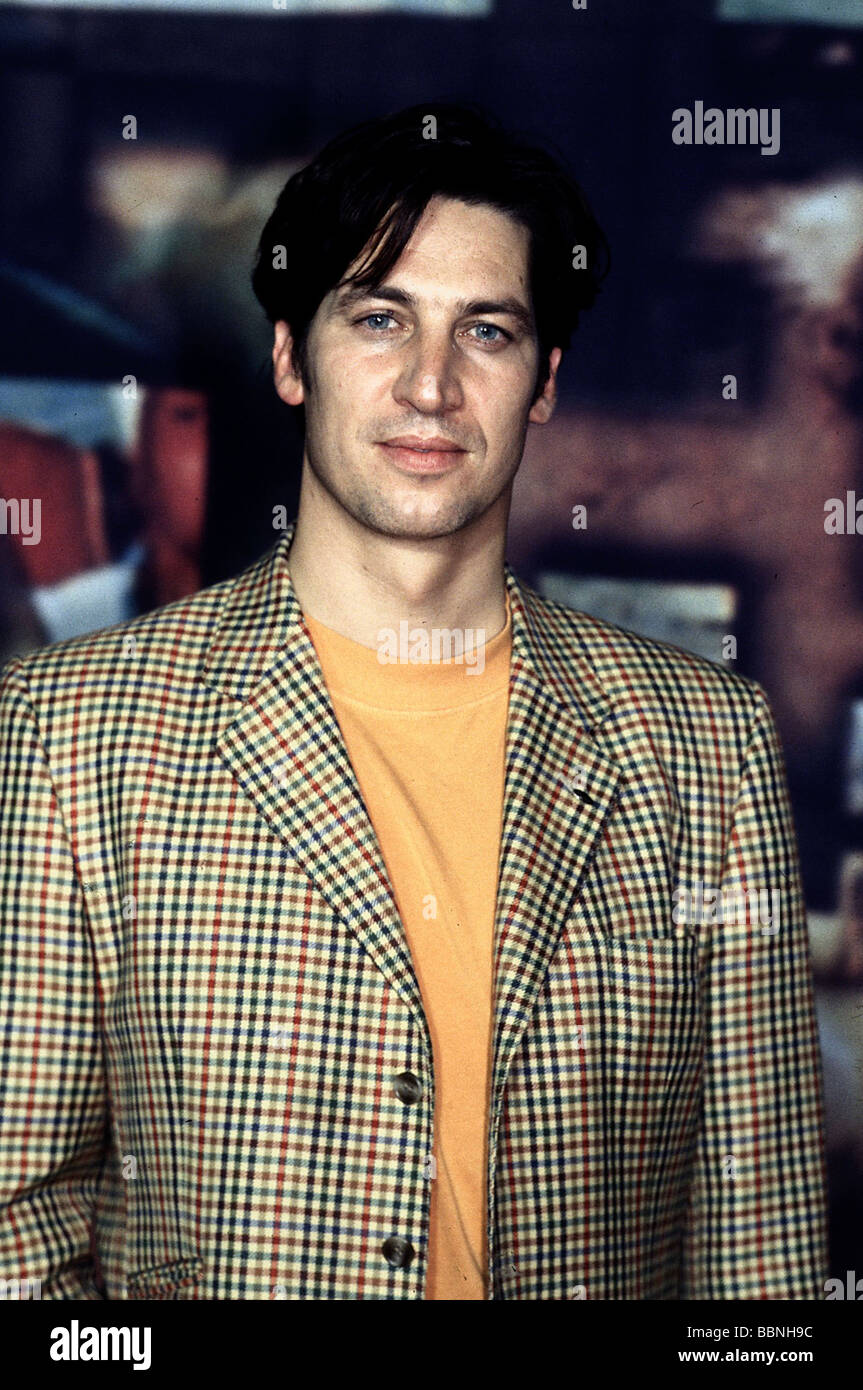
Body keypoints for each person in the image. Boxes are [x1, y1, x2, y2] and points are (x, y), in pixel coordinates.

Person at [0, 102, 828, 1301]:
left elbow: (762, 1253)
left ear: (541, 381)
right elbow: (16, 1232)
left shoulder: (703, 741)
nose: (431, 384)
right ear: (291, 355)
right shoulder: (70, 728)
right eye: (379, 317)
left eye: (483, 331)